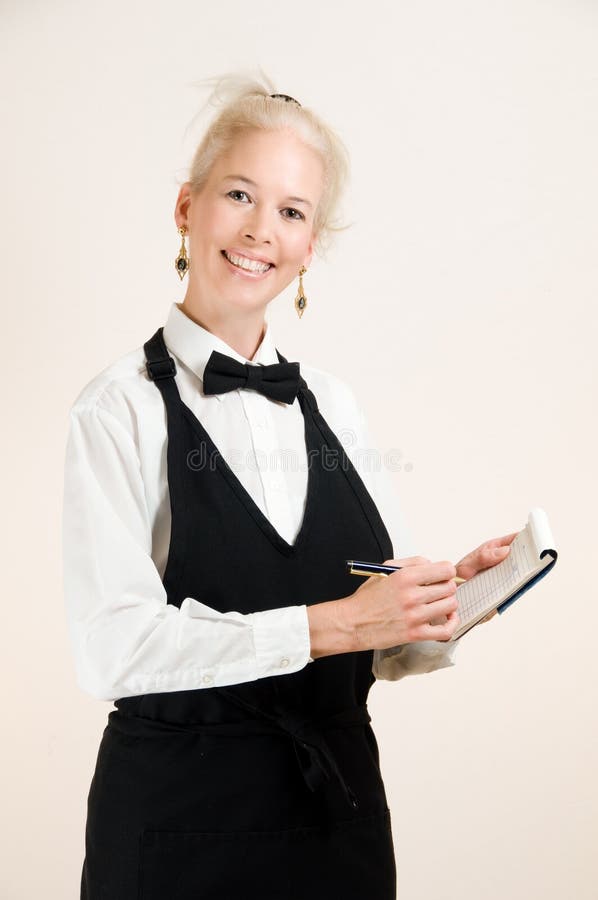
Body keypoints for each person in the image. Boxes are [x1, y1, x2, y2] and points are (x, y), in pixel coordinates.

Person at [62, 74, 516, 900]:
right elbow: (112, 651)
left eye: (292, 211)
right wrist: (329, 624)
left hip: (335, 831)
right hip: (177, 830)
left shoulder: (334, 403)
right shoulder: (117, 408)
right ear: (186, 209)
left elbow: (380, 644)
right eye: (240, 194)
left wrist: (452, 598)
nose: (260, 230)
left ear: (311, 247)